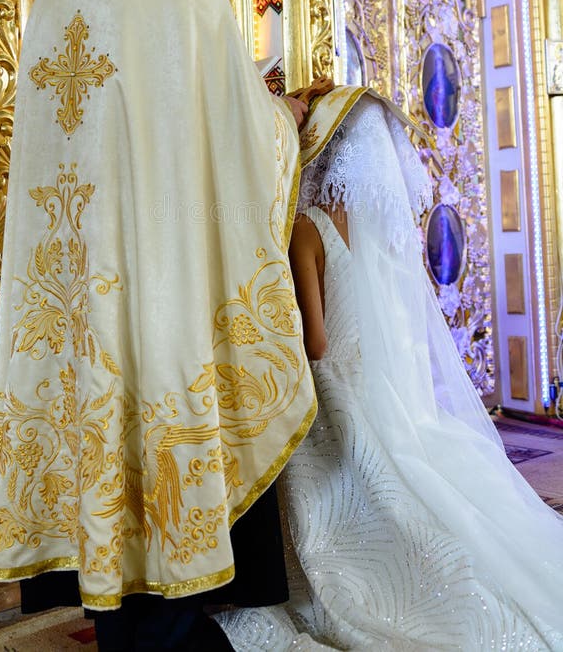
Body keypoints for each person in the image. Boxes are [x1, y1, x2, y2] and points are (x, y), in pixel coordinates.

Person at [0, 0, 317, 650]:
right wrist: (290, 121)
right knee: (166, 452)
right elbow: (241, 137)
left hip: (70, 303)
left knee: (99, 452)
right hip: (158, 292)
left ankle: (111, 604)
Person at [217, 86, 563, 651]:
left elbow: (318, 344)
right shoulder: (382, 230)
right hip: (390, 396)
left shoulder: (305, 228)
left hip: (336, 396)